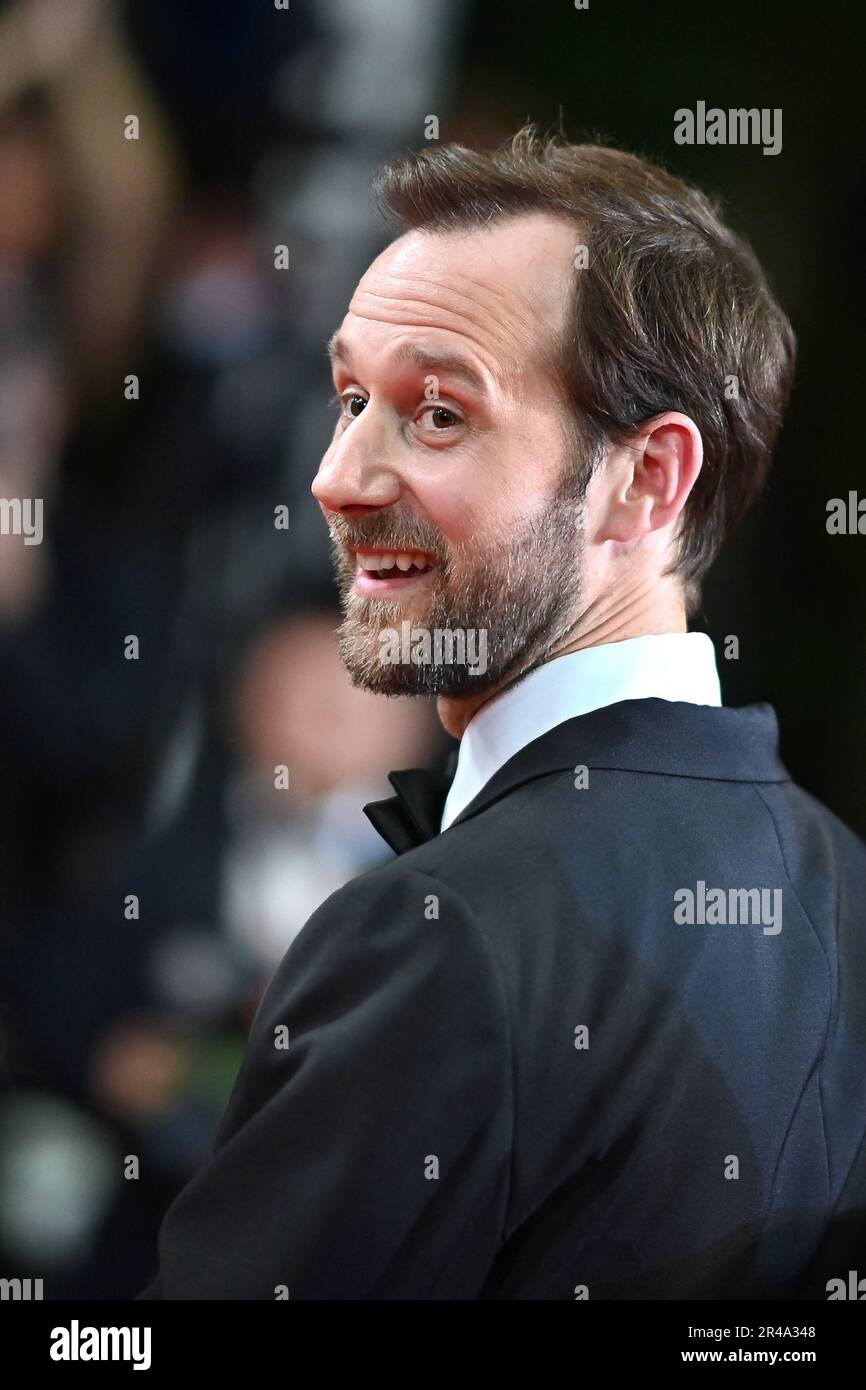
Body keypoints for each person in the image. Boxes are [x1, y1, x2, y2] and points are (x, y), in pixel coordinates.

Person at [139, 126, 866, 1299]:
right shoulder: (845, 897)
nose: (336, 476)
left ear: (645, 481)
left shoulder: (441, 934)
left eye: (436, 414)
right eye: (347, 398)